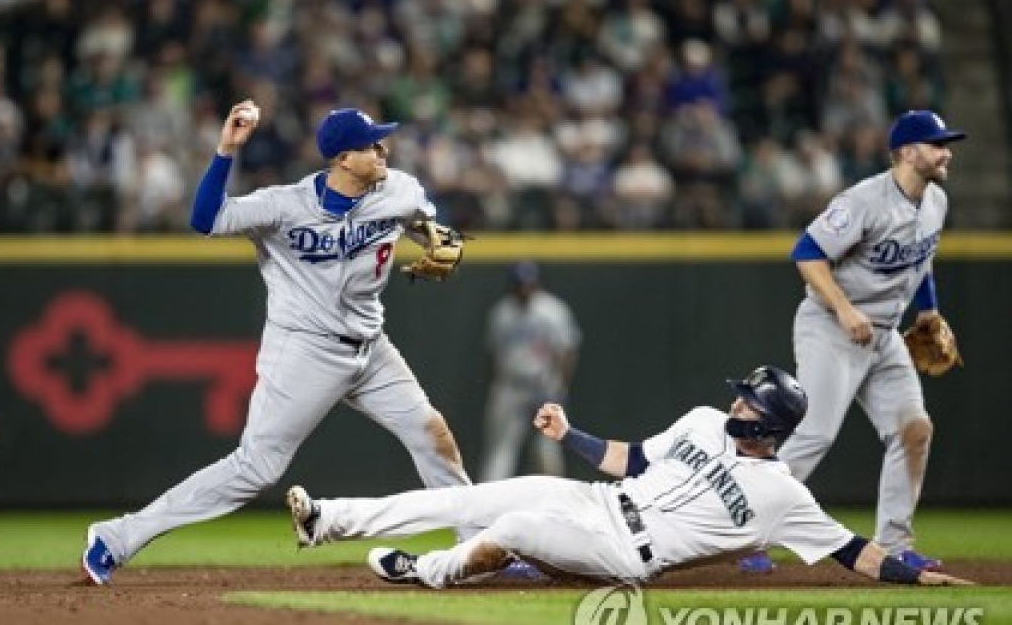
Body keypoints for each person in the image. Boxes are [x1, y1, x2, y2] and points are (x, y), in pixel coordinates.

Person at [81, 101, 475, 584]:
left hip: (372, 348)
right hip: (304, 351)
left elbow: (430, 226)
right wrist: (226, 150)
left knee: (432, 433)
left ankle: (475, 545)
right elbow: (206, 218)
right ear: (342, 159)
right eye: (372, 144)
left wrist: (440, 238)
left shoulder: (399, 190)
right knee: (255, 468)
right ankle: (116, 538)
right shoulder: (283, 206)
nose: (383, 149)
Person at [284, 366, 973, 589]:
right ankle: (328, 520)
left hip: (625, 554)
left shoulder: (785, 495)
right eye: (739, 395)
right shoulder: (705, 421)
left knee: (515, 527)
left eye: (748, 403)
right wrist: (569, 435)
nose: (735, 403)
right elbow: (633, 459)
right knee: (472, 497)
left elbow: (851, 547)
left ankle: (427, 570)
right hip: (598, 499)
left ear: (768, 426)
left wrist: (913, 575)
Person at [739, 110, 965, 575]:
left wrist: (928, 309)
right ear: (907, 151)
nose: (946, 153)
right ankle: (746, 532)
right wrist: (843, 307)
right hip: (830, 325)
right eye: (937, 144)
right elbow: (806, 253)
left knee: (914, 430)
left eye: (947, 144)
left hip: (884, 335)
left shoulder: (936, 201)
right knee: (813, 432)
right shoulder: (864, 199)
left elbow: (921, 261)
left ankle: (896, 545)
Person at [479, 261, 581, 482]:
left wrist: (561, 386)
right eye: (519, 284)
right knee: (500, 452)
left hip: (543, 386)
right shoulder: (502, 313)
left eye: (528, 284)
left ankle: (555, 504)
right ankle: (490, 503)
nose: (524, 289)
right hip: (511, 387)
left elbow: (567, 351)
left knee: (547, 453)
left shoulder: (552, 311)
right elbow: (494, 356)